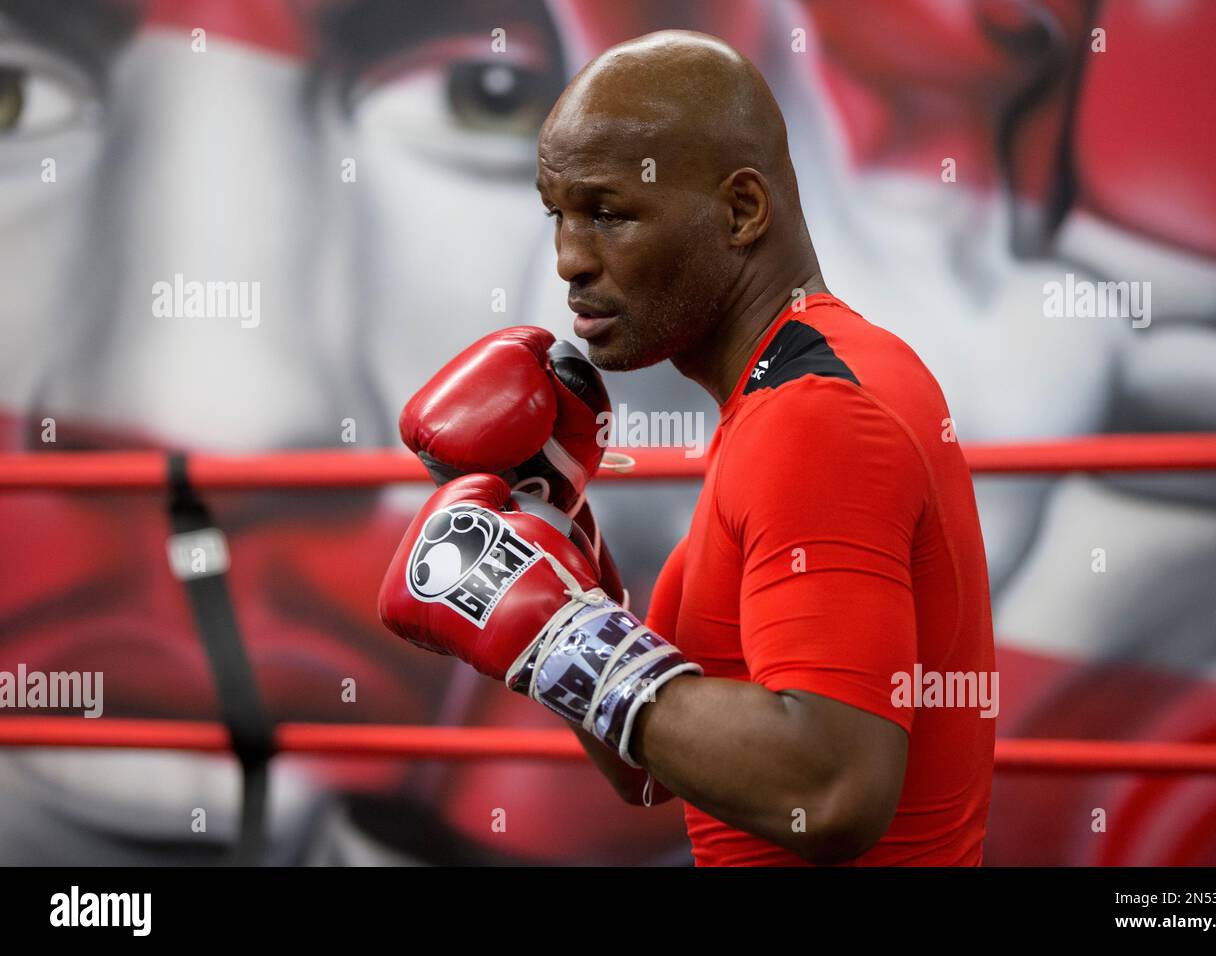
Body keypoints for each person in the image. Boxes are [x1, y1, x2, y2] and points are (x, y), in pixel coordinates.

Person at [380, 30, 996, 866]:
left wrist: (556, 629)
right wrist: (561, 540)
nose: (569, 258)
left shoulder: (814, 417)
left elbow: (831, 789)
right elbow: (647, 765)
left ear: (741, 211)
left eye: (608, 213)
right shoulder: (787, 392)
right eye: (557, 213)